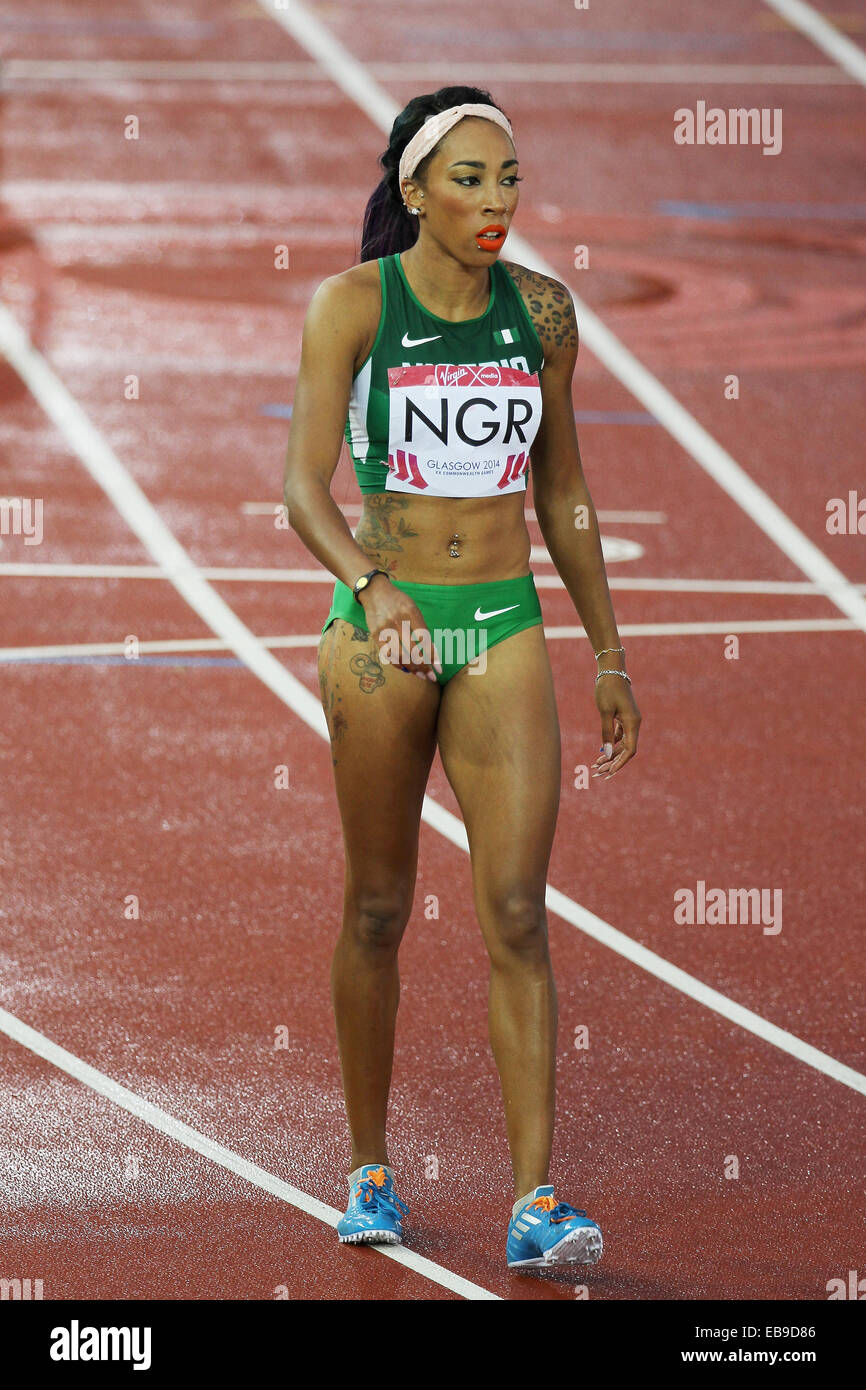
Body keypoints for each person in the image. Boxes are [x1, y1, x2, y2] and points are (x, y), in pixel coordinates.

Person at [283, 85, 641, 1272]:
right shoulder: (351, 305)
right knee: (378, 908)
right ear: (416, 190)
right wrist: (371, 587)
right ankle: (368, 1169)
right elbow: (300, 488)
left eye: (510, 179)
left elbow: (564, 493)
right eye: (471, 179)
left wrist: (607, 650)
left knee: (518, 911)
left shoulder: (540, 313)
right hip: (381, 634)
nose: (497, 201)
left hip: (498, 623)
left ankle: (534, 1200)